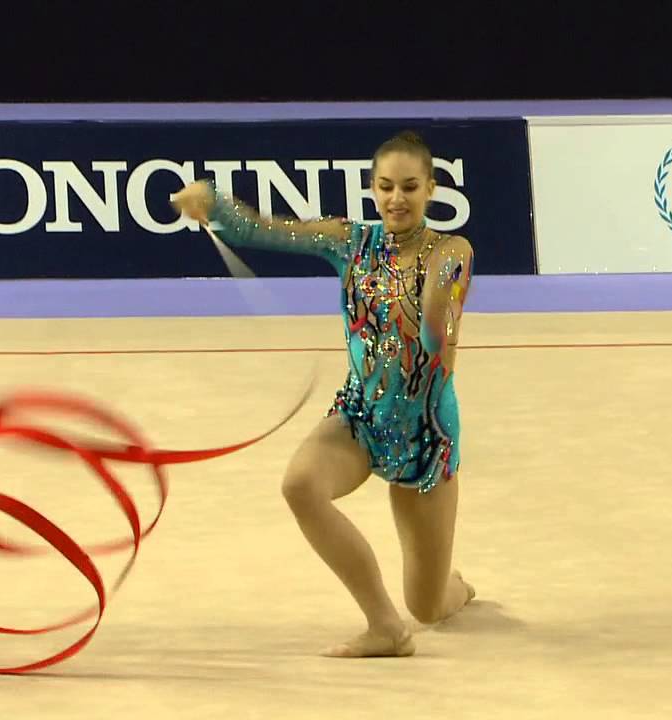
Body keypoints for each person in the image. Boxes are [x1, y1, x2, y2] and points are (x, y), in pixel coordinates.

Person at [170, 131, 475, 658]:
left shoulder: (451, 251)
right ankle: (386, 628)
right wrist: (213, 204)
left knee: (428, 604)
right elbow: (265, 231)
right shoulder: (349, 241)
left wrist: (431, 309)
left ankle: (458, 588)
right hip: (360, 417)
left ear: (430, 188)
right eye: (385, 187)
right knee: (300, 485)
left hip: (425, 436)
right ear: (372, 189)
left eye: (409, 186)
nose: (396, 198)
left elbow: (437, 333)